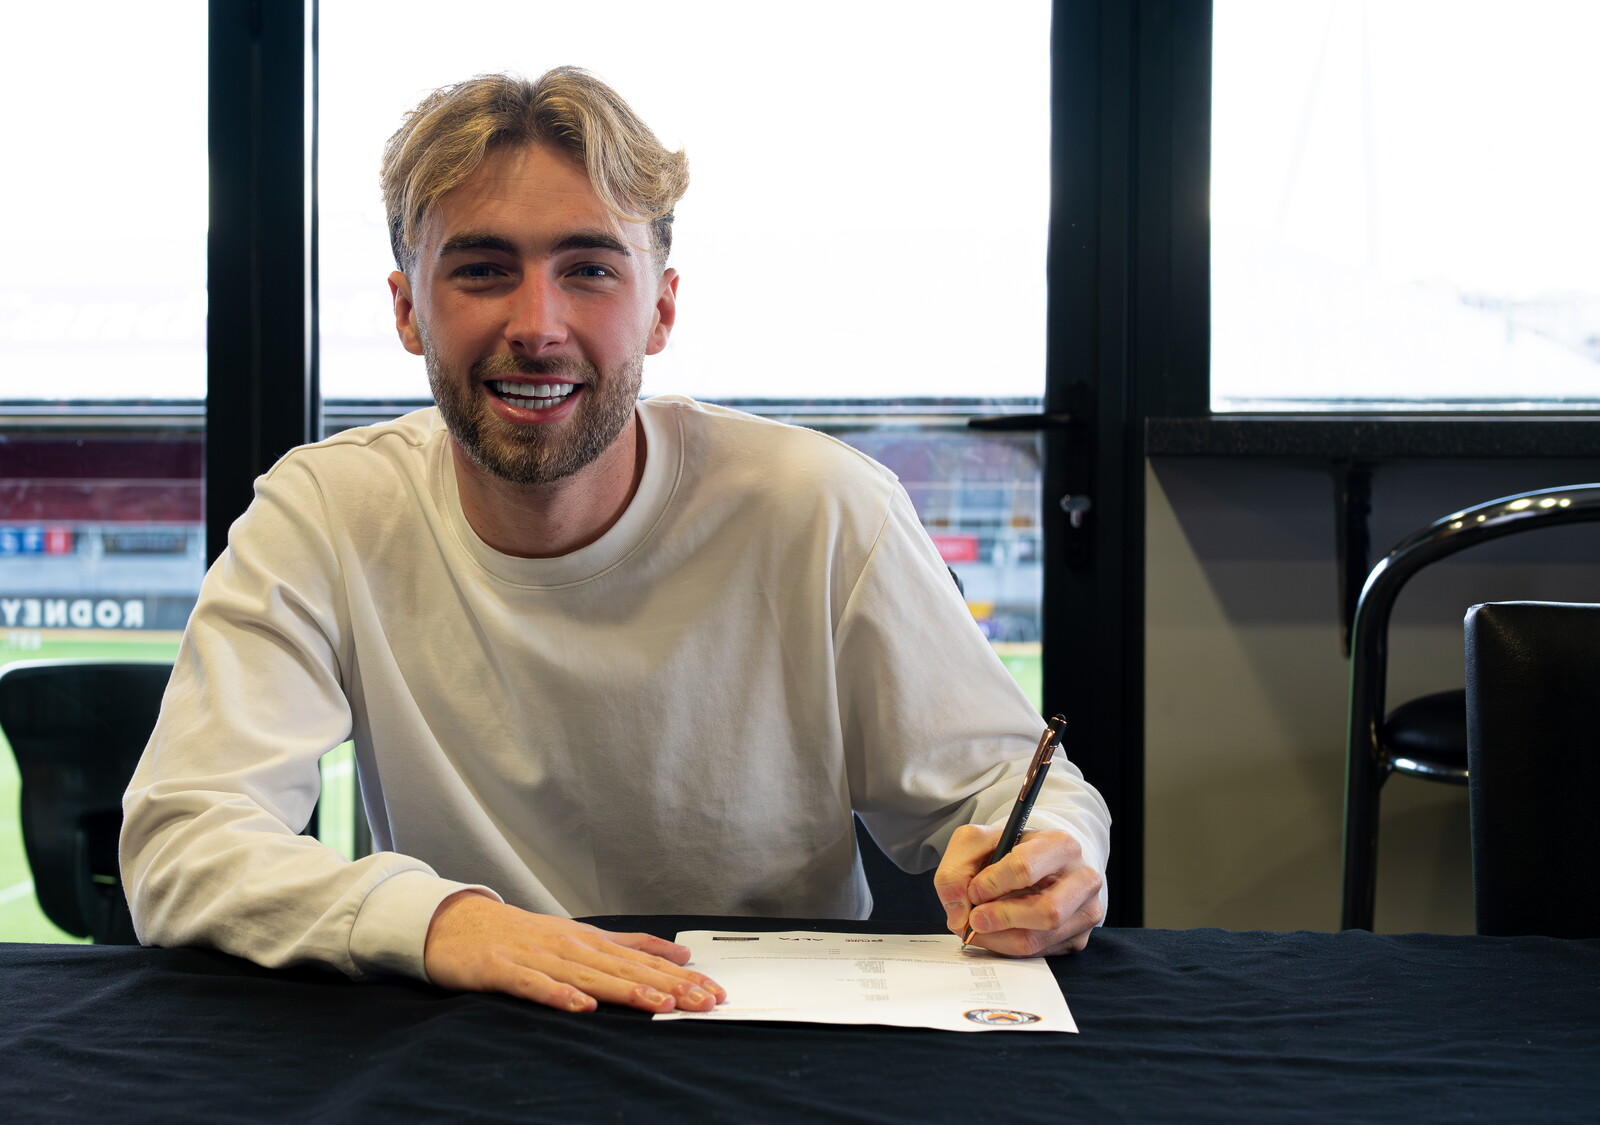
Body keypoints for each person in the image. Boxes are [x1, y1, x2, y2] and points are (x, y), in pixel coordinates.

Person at [121, 66, 1109, 1016]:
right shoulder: (325, 511)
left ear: (661, 307)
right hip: (467, 1035)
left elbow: (1008, 787)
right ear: (406, 310)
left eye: (587, 269)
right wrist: (444, 923)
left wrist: (1048, 857)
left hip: (769, 1042)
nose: (538, 324)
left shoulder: (822, 506)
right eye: (480, 270)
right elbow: (185, 837)